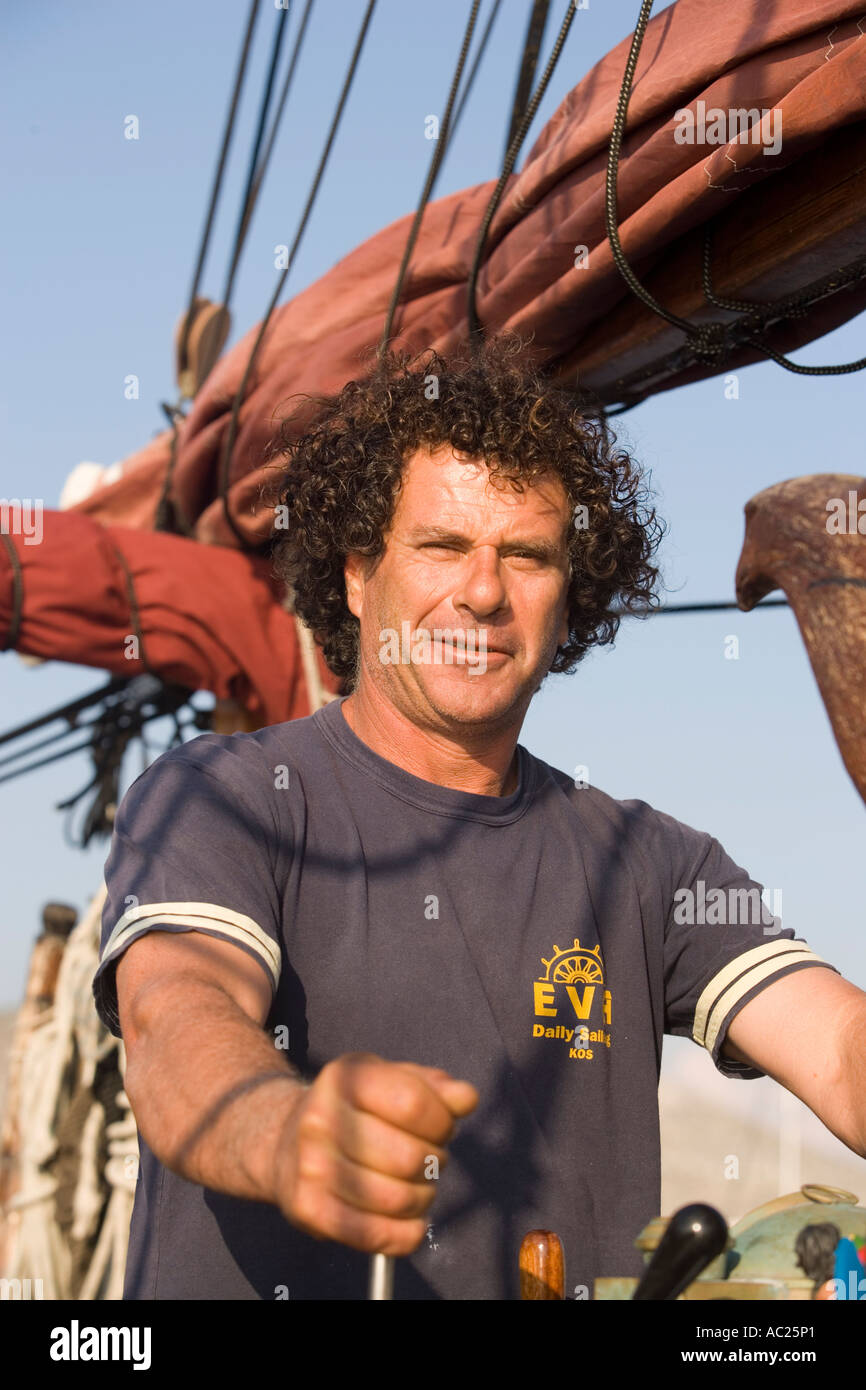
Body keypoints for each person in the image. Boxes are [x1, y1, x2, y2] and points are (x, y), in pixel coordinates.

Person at [93, 335, 866, 1300]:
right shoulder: (223, 799)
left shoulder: (656, 866)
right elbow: (176, 1021)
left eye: (529, 555)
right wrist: (283, 1133)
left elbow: (840, 1052)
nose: (486, 590)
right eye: (444, 545)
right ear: (356, 575)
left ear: (567, 594)